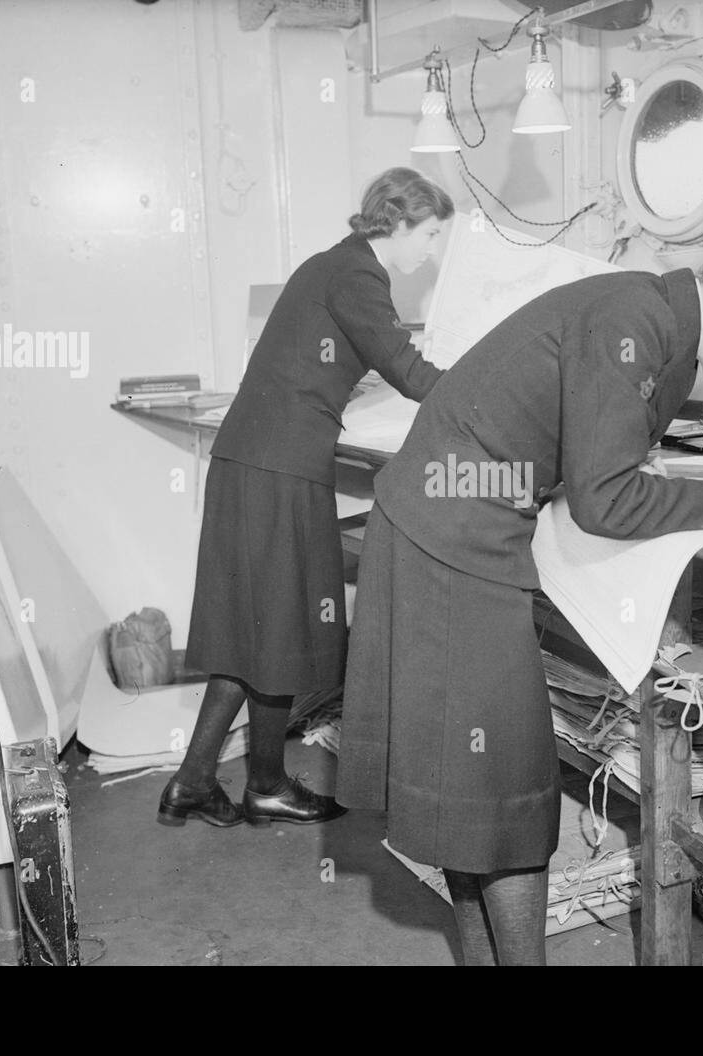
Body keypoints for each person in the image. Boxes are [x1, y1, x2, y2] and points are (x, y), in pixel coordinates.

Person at [336, 242, 703, 964]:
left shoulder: (657, 318)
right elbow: (604, 500)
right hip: (451, 543)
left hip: (441, 526)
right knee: (503, 794)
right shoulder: (638, 317)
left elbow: (599, 456)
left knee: (471, 790)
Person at [158, 168, 454, 828]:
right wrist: (496, 392)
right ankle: (249, 782)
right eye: (430, 234)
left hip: (259, 460)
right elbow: (409, 372)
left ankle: (207, 781)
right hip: (278, 468)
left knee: (262, 625)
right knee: (279, 623)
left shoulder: (337, 267)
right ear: (398, 223)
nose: (431, 250)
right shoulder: (357, 274)